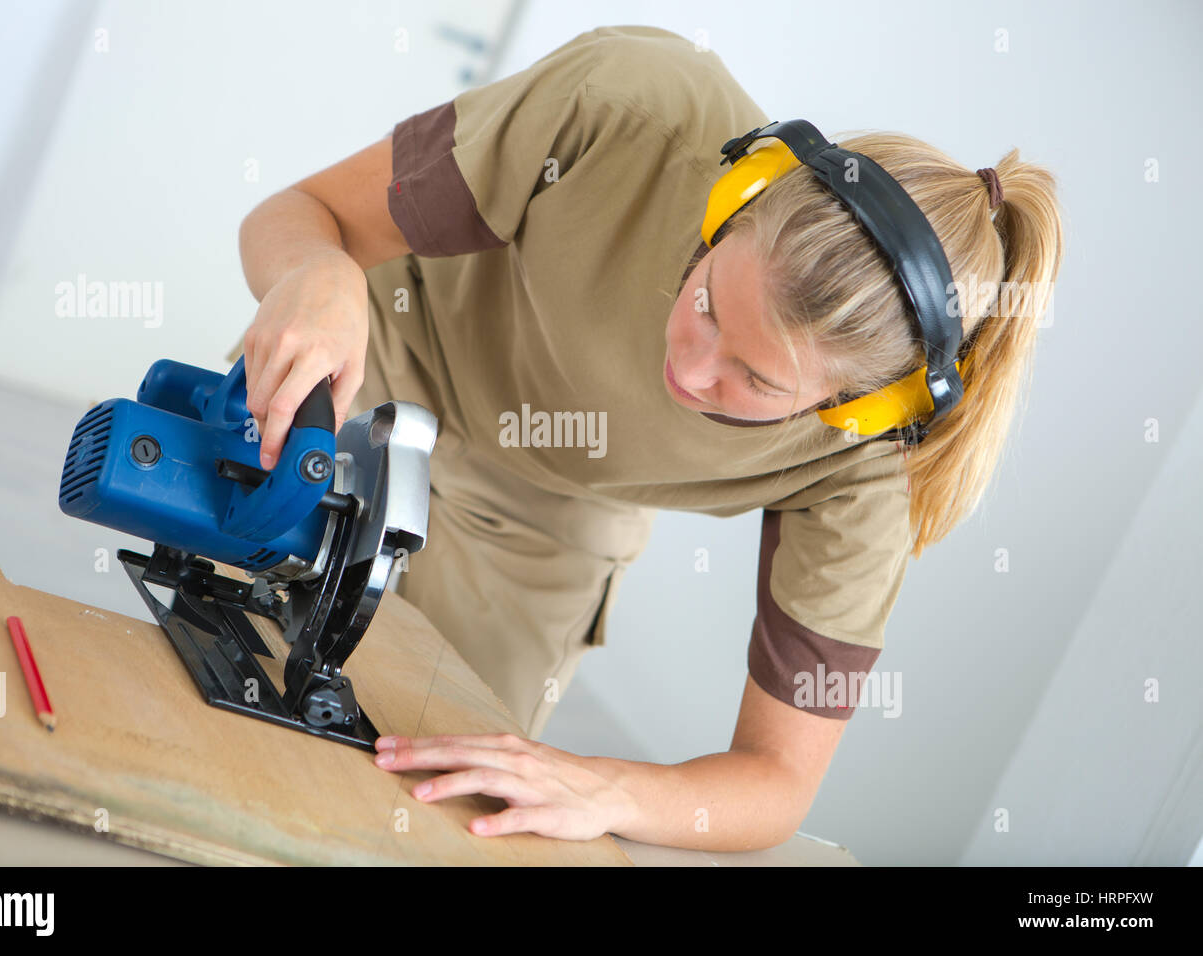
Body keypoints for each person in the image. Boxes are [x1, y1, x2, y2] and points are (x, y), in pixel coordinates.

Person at [227, 25, 1063, 851]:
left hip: (555, 515)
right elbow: (301, 214)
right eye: (706, 299)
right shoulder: (628, 102)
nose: (692, 369)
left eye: (756, 379)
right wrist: (319, 272)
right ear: (738, 198)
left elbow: (777, 780)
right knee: (215, 639)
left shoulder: (871, 468)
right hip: (378, 360)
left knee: (431, 797)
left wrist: (607, 786)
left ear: (852, 409)